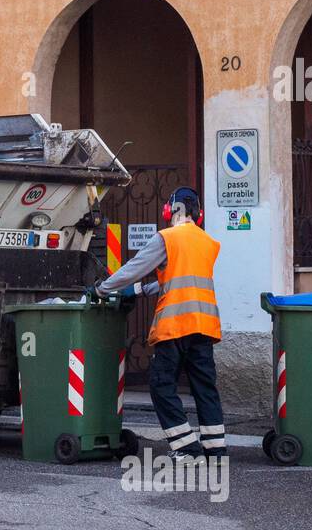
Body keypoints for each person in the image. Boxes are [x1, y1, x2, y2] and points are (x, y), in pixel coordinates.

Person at [95, 187, 226, 460]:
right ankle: (215, 450)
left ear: (172, 210)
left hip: (176, 325)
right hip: (204, 325)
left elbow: (134, 268)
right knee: (204, 387)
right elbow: (179, 276)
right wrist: (142, 291)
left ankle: (187, 449)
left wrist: (102, 289)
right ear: (197, 213)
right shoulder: (208, 242)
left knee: (161, 385)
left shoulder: (167, 238)